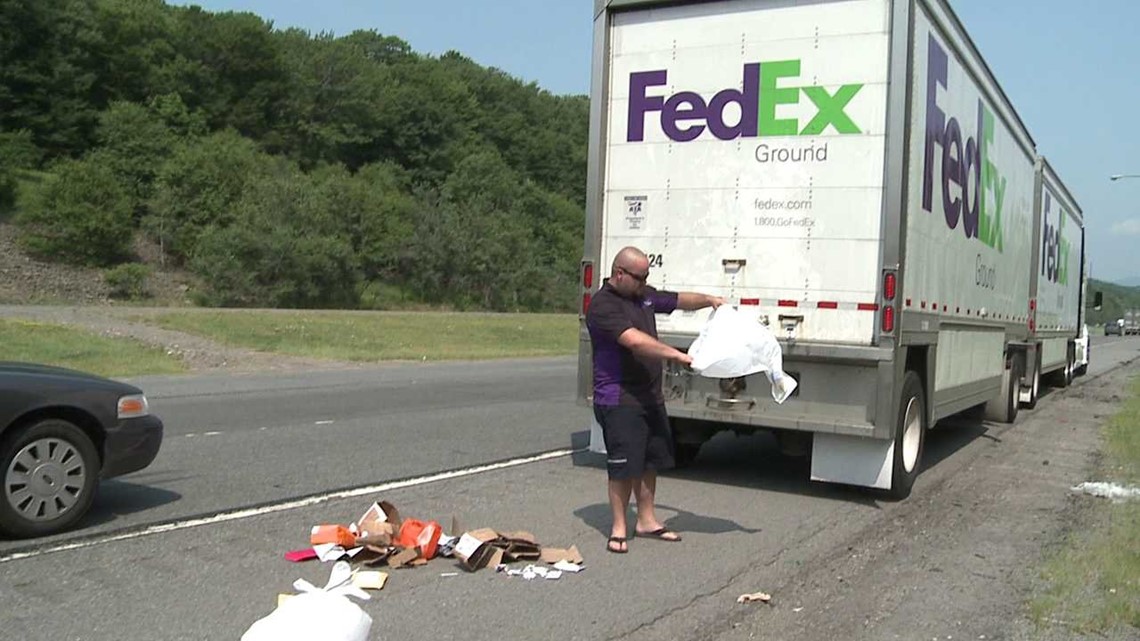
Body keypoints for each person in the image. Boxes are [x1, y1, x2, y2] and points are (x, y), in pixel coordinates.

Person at [585, 246, 723, 553]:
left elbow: (677, 299)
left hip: (649, 395)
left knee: (649, 461)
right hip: (618, 397)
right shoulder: (603, 305)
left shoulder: (642, 296)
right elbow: (634, 340)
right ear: (619, 273)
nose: (644, 282)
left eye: (648, 276)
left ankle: (646, 520)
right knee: (623, 465)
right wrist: (677, 355)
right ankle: (619, 527)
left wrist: (710, 301)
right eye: (639, 277)